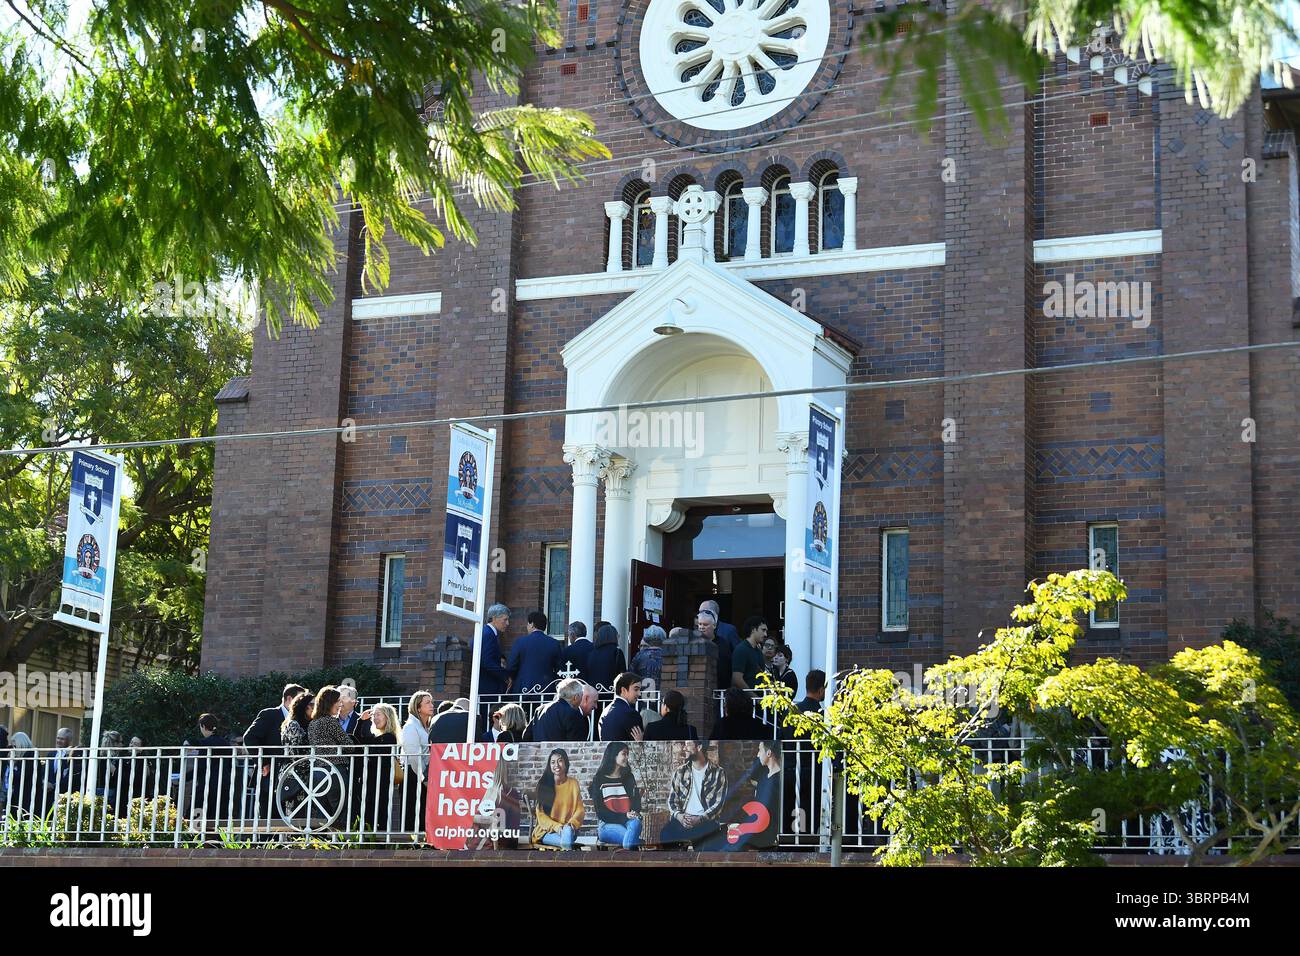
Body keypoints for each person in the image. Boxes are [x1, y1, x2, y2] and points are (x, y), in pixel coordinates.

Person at [700, 739, 783, 851]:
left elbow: (771, 814)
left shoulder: (779, 780)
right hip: (756, 826)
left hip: (767, 832)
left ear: (769, 753)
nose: (758, 755)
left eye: (760, 751)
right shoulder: (763, 777)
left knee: (729, 839)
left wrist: (741, 828)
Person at [243, 682, 307, 814]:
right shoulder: (270, 714)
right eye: (299, 699)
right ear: (289, 699)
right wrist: (264, 762)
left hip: (292, 778)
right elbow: (249, 737)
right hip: (270, 775)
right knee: (269, 818)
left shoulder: (300, 719)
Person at [659, 739, 728, 847]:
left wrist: (700, 819)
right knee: (665, 834)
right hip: (683, 820)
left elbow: (719, 804)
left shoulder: (718, 772)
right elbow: (672, 800)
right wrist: (679, 816)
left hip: (706, 822)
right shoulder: (680, 771)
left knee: (708, 846)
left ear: (699, 747)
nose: (684, 748)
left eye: (688, 745)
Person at [589, 741, 643, 850]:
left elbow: (636, 804)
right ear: (614, 755)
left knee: (636, 824)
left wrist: (633, 811)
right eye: (624, 754)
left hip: (629, 823)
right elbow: (601, 813)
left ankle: (623, 857)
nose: (627, 757)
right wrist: (624, 816)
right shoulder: (599, 779)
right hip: (606, 826)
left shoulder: (629, 777)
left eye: (628, 754)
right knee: (632, 839)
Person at [355, 702, 399, 831]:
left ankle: (379, 845)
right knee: (368, 814)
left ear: (387, 717)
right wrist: (361, 721)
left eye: (378, 714)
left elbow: (365, 743)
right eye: (374, 715)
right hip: (370, 782)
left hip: (380, 783)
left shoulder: (389, 737)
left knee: (378, 814)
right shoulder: (377, 737)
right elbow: (359, 741)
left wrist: (363, 723)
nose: (374, 718)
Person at [530, 748, 584, 851]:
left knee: (567, 833)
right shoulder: (544, 785)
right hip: (546, 832)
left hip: (568, 830)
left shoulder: (573, 783)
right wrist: (558, 827)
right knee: (567, 840)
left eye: (560, 760)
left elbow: (579, 809)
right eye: (553, 762)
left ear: (565, 763)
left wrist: (571, 824)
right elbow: (541, 816)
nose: (556, 765)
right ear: (549, 766)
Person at [189, 714, 236, 822]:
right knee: (219, 817)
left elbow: (201, 767)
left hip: (206, 784)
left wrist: (185, 777)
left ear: (203, 726)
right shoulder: (226, 743)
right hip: (224, 784)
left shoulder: (204, 744)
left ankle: (197, 837)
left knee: (197, 816)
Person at [400, 691, 434, 830]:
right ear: (418, 707)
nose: (432, 705)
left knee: (423, 813)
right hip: (413, 774)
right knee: (412, 812)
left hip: (424, 774)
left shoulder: (427, 726)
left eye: (431, 702)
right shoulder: (410, 726)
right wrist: (423, 778)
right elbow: (413, 756)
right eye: (428, 703)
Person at [507, 610, 563, 693]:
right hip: (546, 690)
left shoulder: (520, 642)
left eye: (528, 624)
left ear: (532, 624)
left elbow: (512, 666)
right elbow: (559, 669)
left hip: (523, 690)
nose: (527, 626)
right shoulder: (554, 643)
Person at [522, 678, 589, 742]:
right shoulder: (573, 714)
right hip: (561, 753)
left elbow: (526, 736)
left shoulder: (540, 710)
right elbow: (577, 743)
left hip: (540, 753)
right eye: (581, 696)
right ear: (576, 697)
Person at [307, 686, 353, 768]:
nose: (340, 704)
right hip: (335, 768)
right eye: (338, 701)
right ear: (330, 703)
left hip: (317, 768)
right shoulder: (330, 721)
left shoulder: (312, 723)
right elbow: (349, 746)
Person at [700, 600, 740, 688]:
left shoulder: (729, 630)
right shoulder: (696, 633)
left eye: (703, 611)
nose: (700, 615)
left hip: (723, 682)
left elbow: (737, 655)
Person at [598, 671, 645, 742]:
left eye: (639, 690)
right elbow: (638, 746)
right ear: (623, 690)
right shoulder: (631, 714)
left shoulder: (604, 712)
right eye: (636, 689)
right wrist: (641, 742)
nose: (639, 694)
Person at [477, 604, 513, 695]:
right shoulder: (488, 634)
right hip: (487, 689)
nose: (507, 623)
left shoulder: (486, 633)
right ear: (494, 618)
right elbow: (487, 661)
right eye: (505, 619)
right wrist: (505, 676)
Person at [2, 732, 41, 815]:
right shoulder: (22, 756)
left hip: (27, 797)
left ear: (22, 744)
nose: (14, 750)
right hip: (18, 796)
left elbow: (21, 775)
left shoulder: (31, 755)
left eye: (15, 746)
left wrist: (11, 764)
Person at [731, 615, 768, 689]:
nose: (765, 634)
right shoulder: (741, 649)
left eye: (766, 631)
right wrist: (753, 696)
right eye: (763, 630)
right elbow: (737, 678)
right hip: (746, 699)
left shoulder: (759, 652)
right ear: (753, 629)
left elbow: (762, 677)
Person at [588, 623, 626, 689]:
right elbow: (623, 674)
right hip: (611, 690)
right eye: (617, 635)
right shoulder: (617, 652)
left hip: (595, 691)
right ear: (613, 636)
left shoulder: (592, 652)